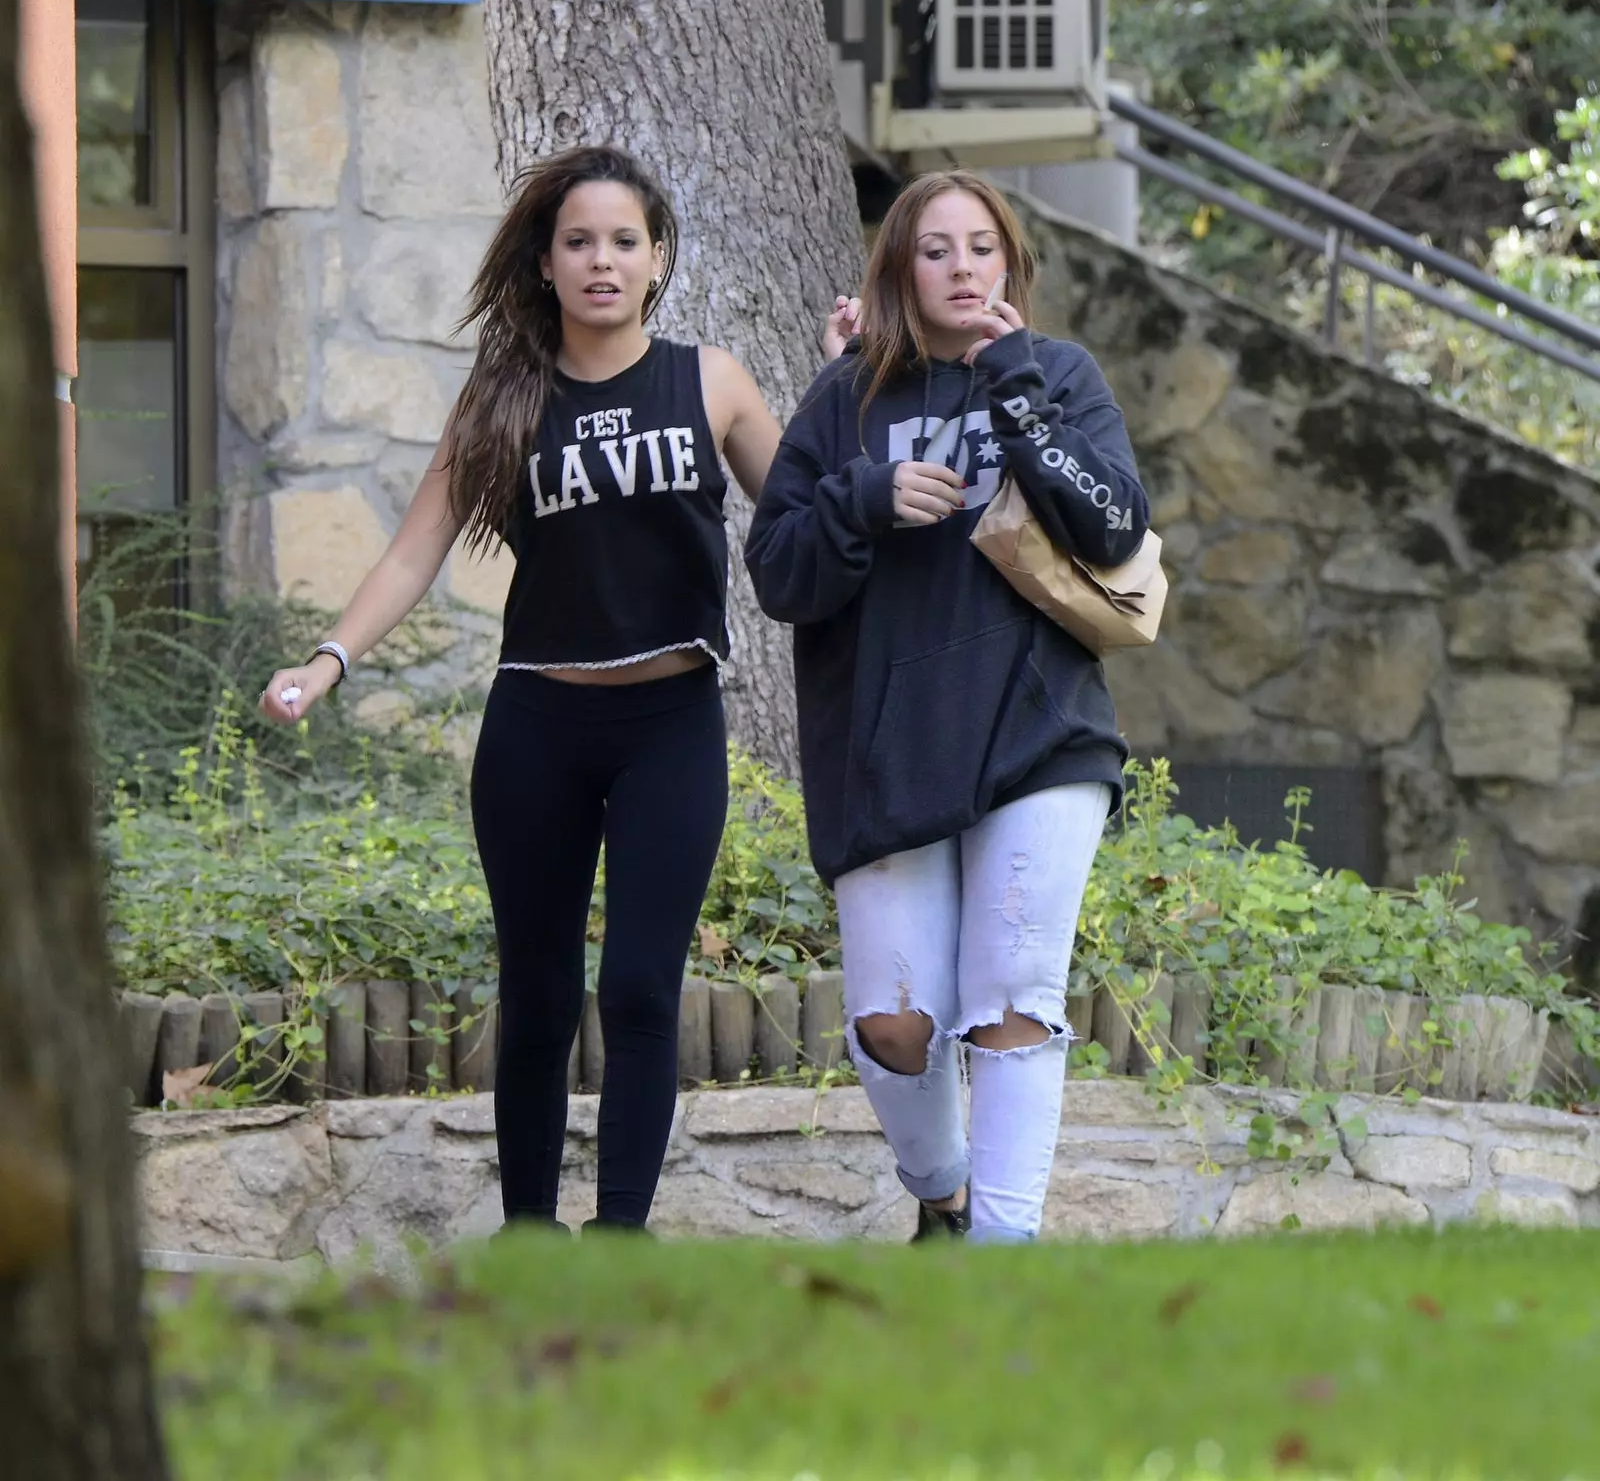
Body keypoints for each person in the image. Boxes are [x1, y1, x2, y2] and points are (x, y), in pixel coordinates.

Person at [260, 146, 781, 1234]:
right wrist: (327, 660)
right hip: (537, 725)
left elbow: (803, 525)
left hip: (669, 725)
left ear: (656, 259)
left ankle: (621, 1237)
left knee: (641, 987)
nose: (602, 261)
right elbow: (413, 552)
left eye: (623, 242)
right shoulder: (504, 398)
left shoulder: (713, 381)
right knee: (538, 991)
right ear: (545, 264)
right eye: (578, 242)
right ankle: (532, 1235)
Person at [745, 170, 1149, 1245]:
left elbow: (1112, 527)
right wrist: (862, 499)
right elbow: (778, 573)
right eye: (936, 250)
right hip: (886, 746)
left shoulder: (1056, 372)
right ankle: (946, 1195)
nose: (963, 267)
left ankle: (1004, 1252)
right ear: (900, 270)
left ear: (1009, 263)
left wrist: (1016, 394)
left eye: (982, 247)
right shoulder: (849, 399)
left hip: (1039, 732)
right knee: (892, 1021)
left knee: (1015, 990)